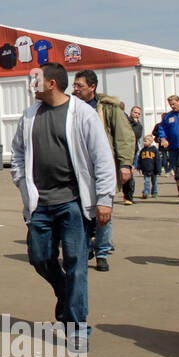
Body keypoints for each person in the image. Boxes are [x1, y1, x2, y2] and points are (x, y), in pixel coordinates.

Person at [9, 62, 115, 352]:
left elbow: (102, 157)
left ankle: (78, 328)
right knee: (39, 258)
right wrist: (20, 180)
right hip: (40, 204)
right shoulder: (30, 116)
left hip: (72, 203)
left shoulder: (83, 114)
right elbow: (17, 152)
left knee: (76, 265)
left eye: (37, 80)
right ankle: (66, 293)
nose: (32, 85)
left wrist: (105, 198)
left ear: (52, 83)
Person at [71, 70, 135, 269]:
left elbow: (124, 136)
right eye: (74, 85)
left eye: (79, 86)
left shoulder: (108, 108)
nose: (75, 89)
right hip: (79, 168)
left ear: (92, 87)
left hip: (104, 167)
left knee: (104, 210)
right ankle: (84, 248)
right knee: (80, 211)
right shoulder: (71, 106)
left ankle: (102, 252)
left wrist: (125, 164)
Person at [155, 96, 179, 198]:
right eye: (170, 105)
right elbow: (161, 128)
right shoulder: (168, 117)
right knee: (177, 171)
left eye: (174, 104)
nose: (172, 106)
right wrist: (163, 138)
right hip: (174, 148)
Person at [124, 106, 144, 203]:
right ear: (131, 112)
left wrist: (134, 123)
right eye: (135, 112)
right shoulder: (125, 121)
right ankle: (126, 195)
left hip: (132, 151)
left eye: (138, 113)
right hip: (123, 149)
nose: (136, 115)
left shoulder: (138, 126)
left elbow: (135, 135)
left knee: (130, 174)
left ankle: (129, 197)